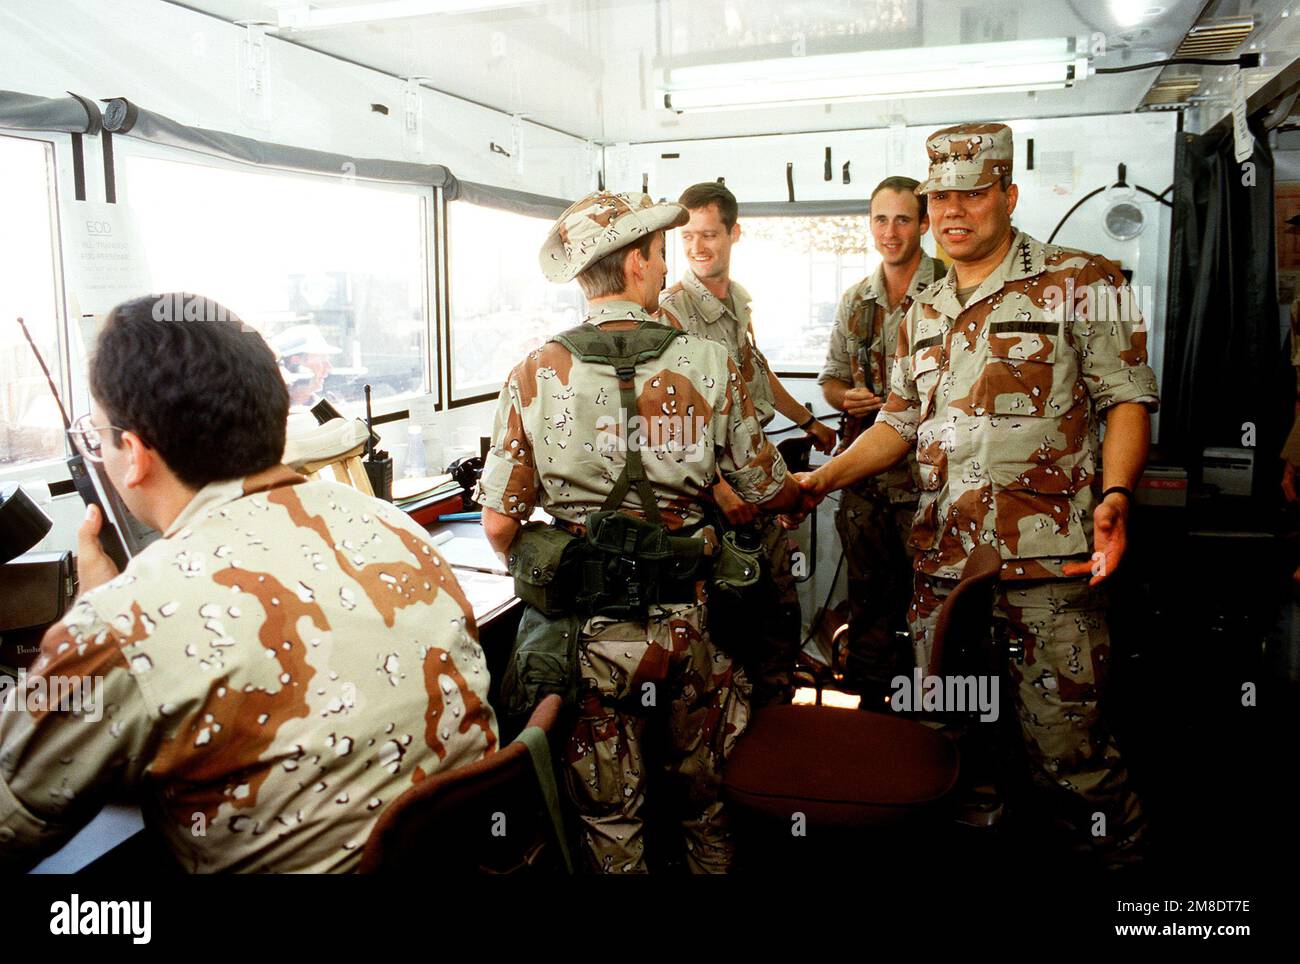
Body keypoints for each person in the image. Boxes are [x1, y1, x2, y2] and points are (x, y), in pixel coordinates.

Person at [0, 296, 497, 873]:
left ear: (132, 453)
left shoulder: (124, 620)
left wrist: (89, 630)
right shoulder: (392, 525)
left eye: (101, 433)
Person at [788, 123, 1159, 865]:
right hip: (945, 570)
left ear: (1008, 196)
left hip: (1049, 569)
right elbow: (898, 419)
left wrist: (1116, 492)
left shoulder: (1087, 282)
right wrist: (819, 480)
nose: (953, 211)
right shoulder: (919, 311)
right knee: (954, 745)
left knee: (1068, 753)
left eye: (973, 194)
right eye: (940, 197)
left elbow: (1126, 399)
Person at [474, 191, 802, 873]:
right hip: (694, 630)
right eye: (658, 252)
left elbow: (501, 522)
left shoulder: (532, 372)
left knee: (609, 816)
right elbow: (768, 489)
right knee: (706, 803)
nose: (665, 265)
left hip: (593, 641)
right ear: (634, 263)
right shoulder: (710, 363)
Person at [658, 182, 835, 707]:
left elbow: (754, 372)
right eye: (687, 237)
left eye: (709, 234)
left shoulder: (736, 302)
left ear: (734, 233)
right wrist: (715, 488)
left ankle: (775, 712)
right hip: (710, 492)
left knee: (778, 601)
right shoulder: (673, 312)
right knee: (726, 616)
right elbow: (668, 417)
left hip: (754, 472)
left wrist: (809, 422)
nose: (697, 247)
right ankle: (732, 728)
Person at [818, 175, 943, 701]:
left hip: (933, 485)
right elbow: (830, 381)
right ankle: (872, 719)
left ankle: (933, 723)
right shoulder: (857, 301)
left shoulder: (953, 290)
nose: (890, 232)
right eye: (880, 219)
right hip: (868, 485)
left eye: (902, 219)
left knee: (935, 610)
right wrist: (846, 399)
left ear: (925, 224)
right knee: (868, 605)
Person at [271, 323, 341, 409]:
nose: (329, 368)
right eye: (322, 361)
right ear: (295, 362)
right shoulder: (268, 408)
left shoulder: (327, 403)